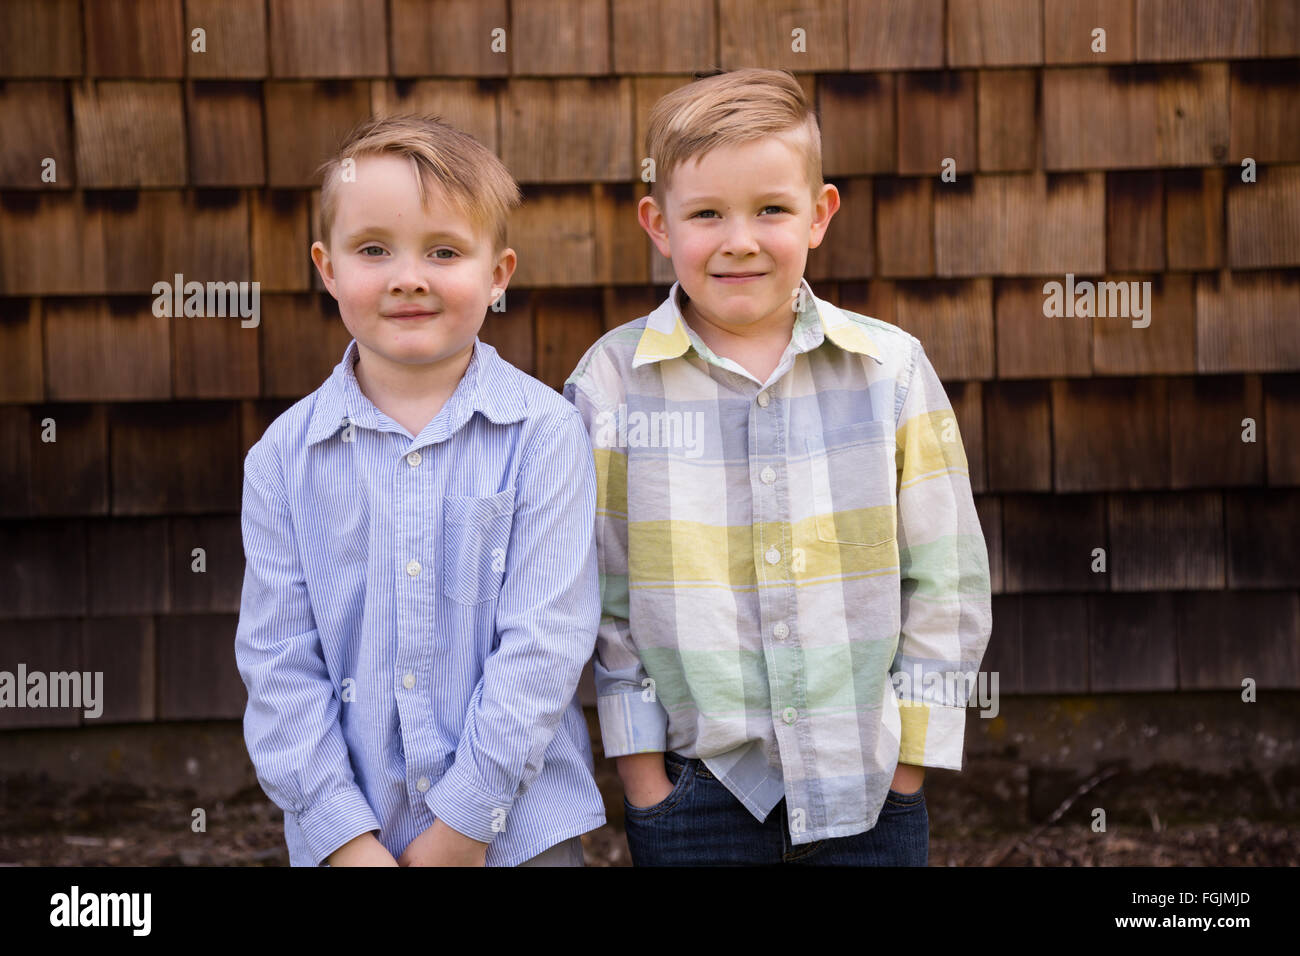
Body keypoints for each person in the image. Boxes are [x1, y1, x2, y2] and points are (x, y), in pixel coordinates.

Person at [563, 69, 993, 865]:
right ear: (658, 224)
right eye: (706, 214)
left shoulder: (890, 371)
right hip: (697, 793)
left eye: (770, 209)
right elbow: (603, 594)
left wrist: (908, 768)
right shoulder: (613, 384)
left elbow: (948, 579)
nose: (739, 239)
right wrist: (643, 775)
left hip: (866, 788)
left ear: (819, 214)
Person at [235, 114, 604, 867]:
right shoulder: (282, 460)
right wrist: (343, 838)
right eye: (373, 250)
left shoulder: (544, 433)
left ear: (497, 273)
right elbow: (279, 666)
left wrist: (464, 829)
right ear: (327, 266)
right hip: (350, 840)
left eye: (444, 251)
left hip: (516, 837)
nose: (408, 276)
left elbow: (544, 646)